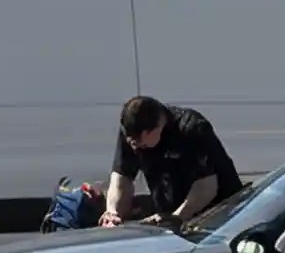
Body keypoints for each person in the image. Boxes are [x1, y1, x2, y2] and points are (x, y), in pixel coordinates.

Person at [99, 96, 244, 227]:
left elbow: (207, 187)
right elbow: (121, 179)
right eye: (131, 141)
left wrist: (177, 218)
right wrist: (113, 212)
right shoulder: (132, 131)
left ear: (157, 127)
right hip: (173, 216)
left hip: (221, 213)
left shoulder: (191, 128)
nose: (135, 147)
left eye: (140, 143)